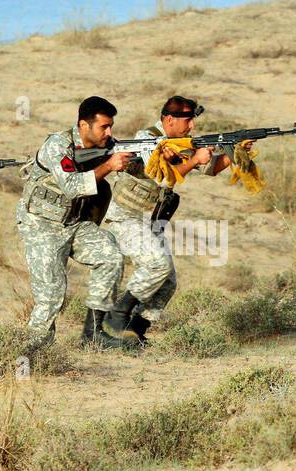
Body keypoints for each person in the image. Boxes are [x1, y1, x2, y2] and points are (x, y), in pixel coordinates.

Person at [102, 96, 250, 343]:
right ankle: (117, 316)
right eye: (187, 120)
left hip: (149, 220)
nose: (192, 126)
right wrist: (194, 159)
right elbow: (162, 177)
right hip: (124, 216)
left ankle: (134, 331)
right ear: (168, 119)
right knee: (157, 265)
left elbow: (211, 169)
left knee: (168, 281)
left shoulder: (182, 142)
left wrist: (234, 151)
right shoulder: (146, 139)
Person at [17, 96, 134, 351]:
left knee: (110, 255)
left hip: (74, 223)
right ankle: (35, 352)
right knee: (51, 294)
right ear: (83, 125)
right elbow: (71, 187)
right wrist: (109, 166)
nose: (109, 132)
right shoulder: (57, 146)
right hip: (42, 225)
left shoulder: (108, 146)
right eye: (104, 127)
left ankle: (93, 334)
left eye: (111, 126)